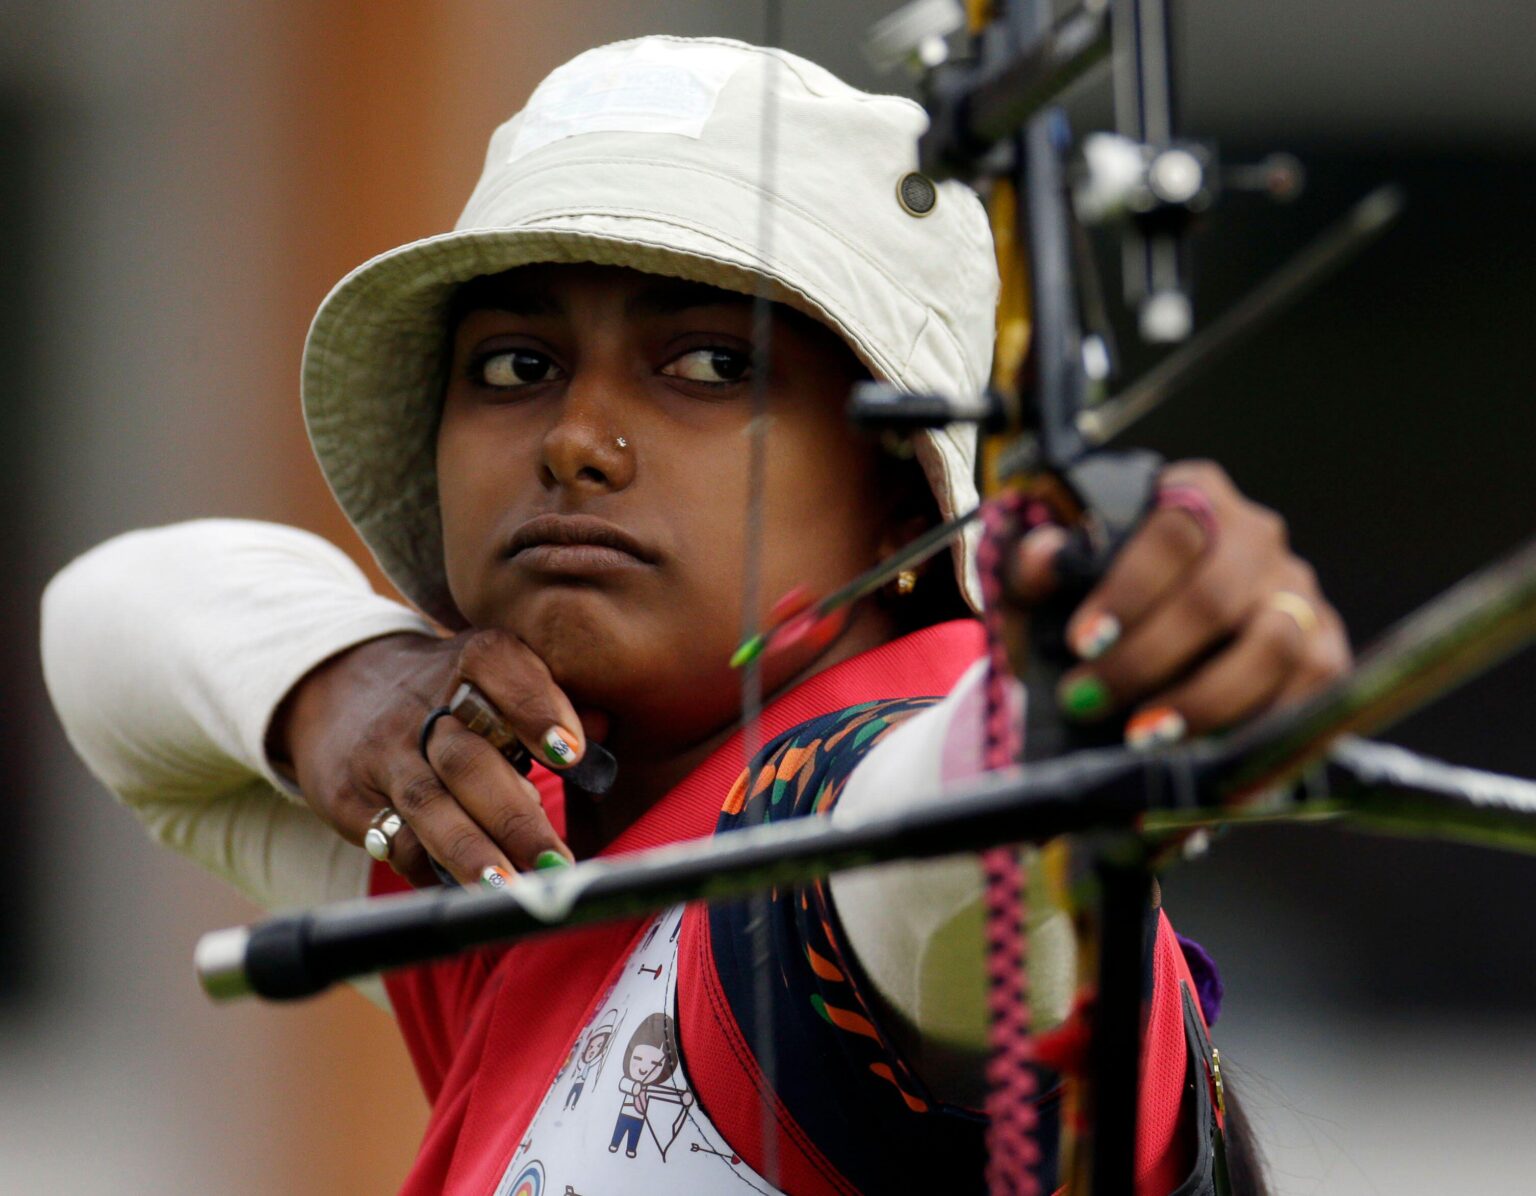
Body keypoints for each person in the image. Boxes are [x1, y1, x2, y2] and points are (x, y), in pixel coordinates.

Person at [40, 36, 1348, 1196]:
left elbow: (938, 856)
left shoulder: (840, 844)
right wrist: (345, 680)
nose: (576, 441)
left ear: (905, 498)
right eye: (516, 366)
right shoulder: (510, 826)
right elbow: (105, 622)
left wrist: (1069, 698)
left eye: (714, 365)